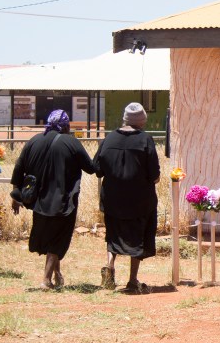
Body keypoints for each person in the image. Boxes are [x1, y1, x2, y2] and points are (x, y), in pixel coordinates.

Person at [10, 109, 97, 290]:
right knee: (57, 240)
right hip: (63, 201)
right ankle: (46, 280)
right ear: (66, 126)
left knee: (50, 238)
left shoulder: (34, 141)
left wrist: (16, 196)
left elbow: (19, 168)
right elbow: (90, 168)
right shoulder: (71, 142)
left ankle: (57, 275)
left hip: (38, 201)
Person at [93, 102, 160, 294]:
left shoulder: (109, 139)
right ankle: (132, 280)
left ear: (125, 118)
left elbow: (97, 169)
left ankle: (110, 265)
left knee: (113, 233)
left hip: (112, 199)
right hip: (139, 200)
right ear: (142, 121)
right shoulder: (145, 140)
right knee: (137, 236)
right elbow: (154, 174)